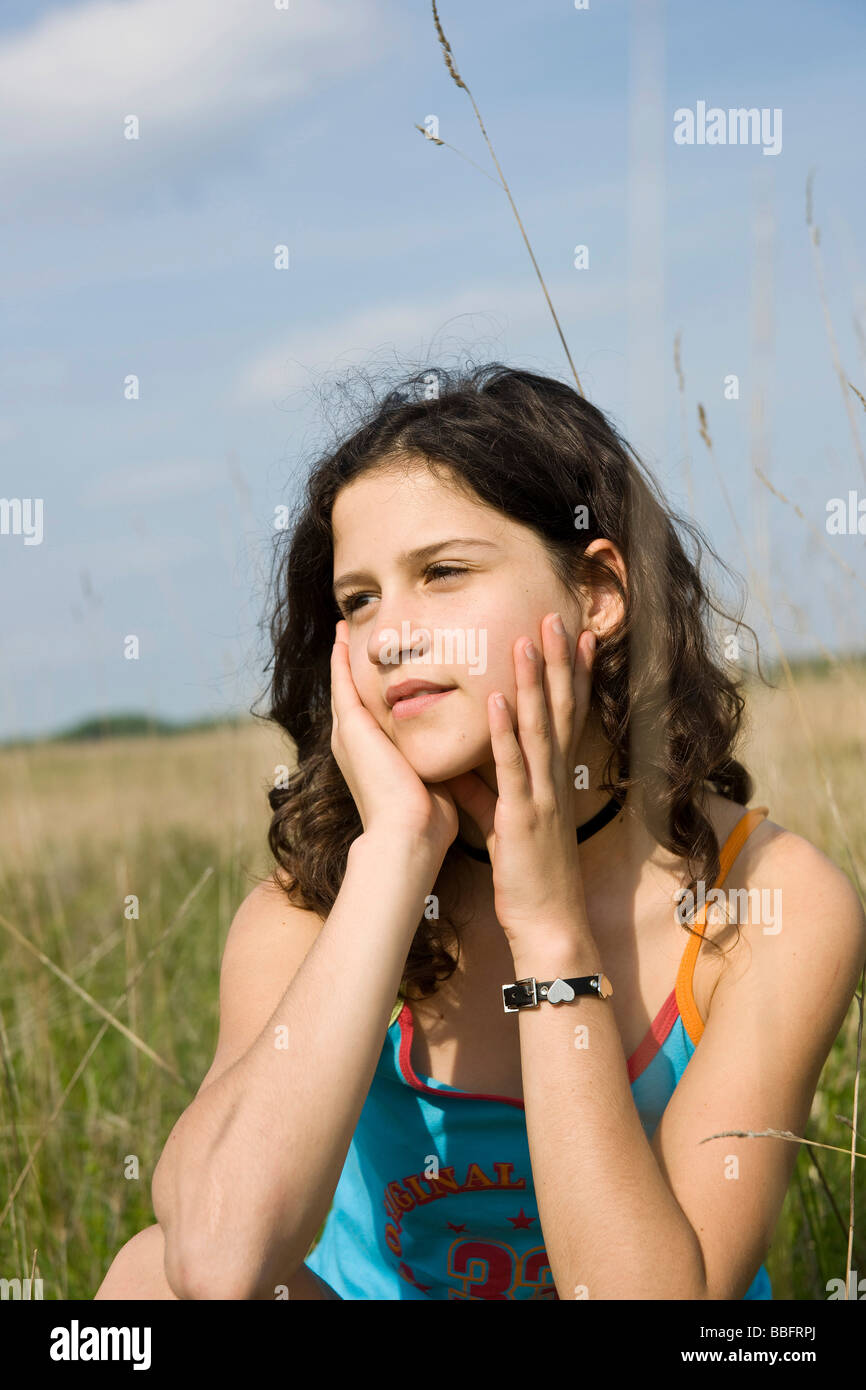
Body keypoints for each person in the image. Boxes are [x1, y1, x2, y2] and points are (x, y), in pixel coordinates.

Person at [96, 363, 865, 1301]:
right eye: (358, 600)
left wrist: (550, 933)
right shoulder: (312, 906)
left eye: (443, 573)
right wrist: (392, 862)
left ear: (598, 592)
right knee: (148, 1281)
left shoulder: (770, 905)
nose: (389, 637)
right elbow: (215, 1262)